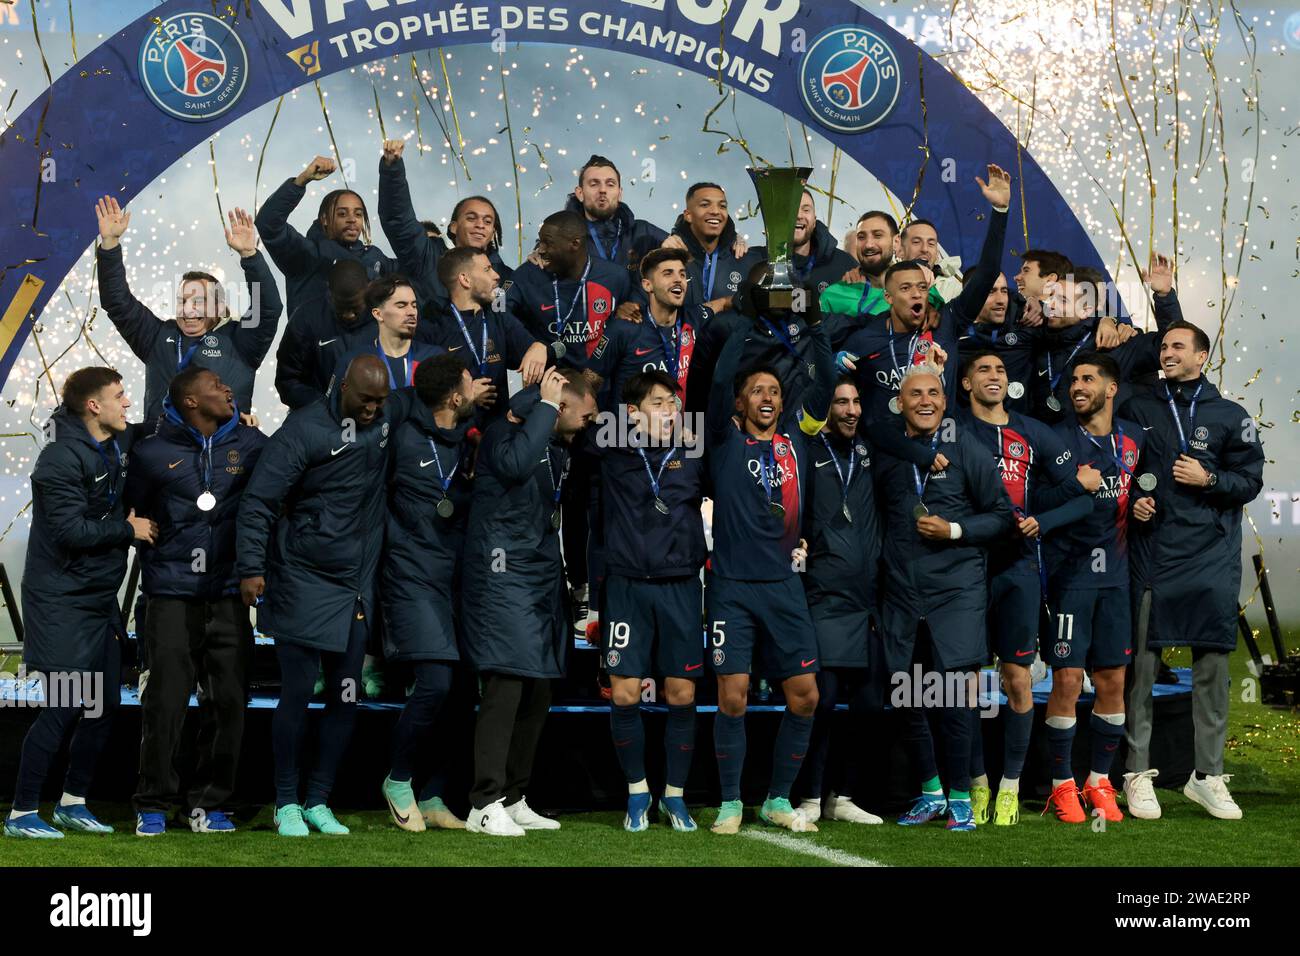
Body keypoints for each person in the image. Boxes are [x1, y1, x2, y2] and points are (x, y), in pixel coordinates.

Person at [236, 355, 415, 837]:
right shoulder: (304, 431)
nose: (375, 409)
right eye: (366, 400)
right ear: (341, 389)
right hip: (302, 576)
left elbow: (435, 392)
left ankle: (319, 800)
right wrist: (251, 568)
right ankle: (286, 802)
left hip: (355, 584)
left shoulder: (385, 415)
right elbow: (259, 502)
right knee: (296, 693)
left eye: (381, 401)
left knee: (346, 695)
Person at [702, 288, 834, 835]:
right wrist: (744, 323)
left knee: (805, 696)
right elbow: (715, 383)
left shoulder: (797, 441)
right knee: (732, 697)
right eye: (756, 390)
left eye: (774, 391)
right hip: (731, 587)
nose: (766, 396)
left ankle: (779, 799)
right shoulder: (722, 441)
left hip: (784, 586)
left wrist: (817, 327)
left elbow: (823, 386)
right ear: (740, 402)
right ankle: (732, 801)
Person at [5, 368, 157, 839]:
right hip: (62, 603)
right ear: (94, 406)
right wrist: (127, 530)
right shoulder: (58, 459)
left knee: (103, 705)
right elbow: (70, 533)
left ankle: (73, 801)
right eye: (119, 396)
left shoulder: (112, 445)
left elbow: (156, 428)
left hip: (97, 601)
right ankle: (22, 813)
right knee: (64, 706)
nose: (127, 403)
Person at [1121, 321, 1265, 820]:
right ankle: (1136, 773)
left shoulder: (1231, 414)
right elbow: (1122, 465)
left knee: (1210, 671)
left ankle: (1206, 776)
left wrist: (1210, 478)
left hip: (1210, 555)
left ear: (1202, 357)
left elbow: (1250, 481)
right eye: (1163, 345)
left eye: (1178, 346)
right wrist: (1135, 499)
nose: (1167, 352)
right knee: (1141, 670)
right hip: (1154, 553)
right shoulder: (1137, 406)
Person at [956, 350, 1096, 826]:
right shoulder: (952, 429)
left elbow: (1081, 499)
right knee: (968, 684)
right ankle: (975, 786)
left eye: (1000, 369)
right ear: (966, 383)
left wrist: (1043, 520)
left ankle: (1010, 788)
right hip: (965, 567)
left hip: (1017, 568)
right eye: (983, 370)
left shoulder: (1035, 432)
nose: (994, 376)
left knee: (1017, 679)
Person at [125, 366, 266, 836]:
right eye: (215, 387)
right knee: (164, 704)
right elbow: (135, 510)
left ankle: (209, 804)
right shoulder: (149, 453)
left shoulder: (251, 444)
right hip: (170, 593)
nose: (227, 390)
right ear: (190, 401)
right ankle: (152, 803)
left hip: (227, 595)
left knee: (227, 704)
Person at [871, 365, 1013, 832]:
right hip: (902, 593)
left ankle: (960, 798)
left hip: (956, 591)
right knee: (909, 697)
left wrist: (955, 530)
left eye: (934, 392)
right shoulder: (888, 451)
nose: (926, 401)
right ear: (901, 401)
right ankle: (930, 792)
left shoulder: (967, 448)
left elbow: (1002, 516)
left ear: (946, 399)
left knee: (954, 699)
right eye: (916, 394)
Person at [459, 368, 599, 836]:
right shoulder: (504, 432)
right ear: (557, 407)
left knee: (538, 689)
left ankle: (514, 796)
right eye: (583, 415)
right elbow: (517, 466)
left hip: (539, 578)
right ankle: (483, 801)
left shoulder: (559, 447)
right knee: (507, 683)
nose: (588, 425)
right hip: (501, 576)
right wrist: (540, 404)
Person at [1038, 353, 1145, 825]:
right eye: (1074, 380)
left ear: (1111, 388)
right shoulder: (1057, 439)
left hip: (1117, 578)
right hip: (1071, 578)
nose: (1078, 387)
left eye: (1088, 379)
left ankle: (1099, 780)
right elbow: (1033, 501)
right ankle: (1060, 784)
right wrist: (1073, 489)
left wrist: (1145, 503)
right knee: (1066, 679)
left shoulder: (1133, 438)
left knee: (1113, 680)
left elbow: (1140, 486)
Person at [598, 370, 707, 832]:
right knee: (624, 692)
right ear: (632, 413)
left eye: (673, 402)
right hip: (626, 586)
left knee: (681, 693)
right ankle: (638, 793)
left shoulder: (694, 450)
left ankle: (676, 797)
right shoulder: (610, 450)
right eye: (658, 402)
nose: (669, 411)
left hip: (681, 584)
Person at [379, 356, 479, 833]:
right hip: (410, 574)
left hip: (458, 577)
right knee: (436, 682)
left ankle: (436, 792)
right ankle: (399, 780)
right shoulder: (403, 437)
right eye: (469, 383)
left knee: (460, 690)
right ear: (455, 396)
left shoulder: (472, 440)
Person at [836, 164, 1012, 421]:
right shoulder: (864, 339)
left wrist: (999, 212)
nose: (917, 294)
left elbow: (987, 274)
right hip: (891, 452)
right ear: (888, 297)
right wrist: (834, 364)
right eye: (906, 288)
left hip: (944, 443)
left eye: (921, 287)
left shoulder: (947, 322)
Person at [794, 376, 894, 826]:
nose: (851, 410)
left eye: (856, 401)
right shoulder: (808, 451)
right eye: (841, 402)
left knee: (871, 704)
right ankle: (811, 795)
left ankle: (844, 795)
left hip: (869, 600)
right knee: (825, 701)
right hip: (824, 595)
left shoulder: (871, 449)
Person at [95, 197, 283, 423]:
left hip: (224, 451)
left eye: (198, 302)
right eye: (182, 301)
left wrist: (250, 256)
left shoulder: (242, 340)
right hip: (162, 452)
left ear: (219, 306)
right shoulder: (156, 336)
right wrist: (110, 244)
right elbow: (117, 302)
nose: (187, 310)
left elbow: (269, 308)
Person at [377, 138, 515, 308]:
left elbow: (506, 319)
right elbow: (398, 220)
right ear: (453, 227)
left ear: (493, 232)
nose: (480, 224)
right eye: (471, 218)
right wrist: (393, 171)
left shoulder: (506, 278)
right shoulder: (428, 258)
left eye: (487, 221)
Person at [255, 155, 397, 315]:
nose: (352, 220)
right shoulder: (307, 254)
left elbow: (419, 268)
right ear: (325, 219)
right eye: (342, 214)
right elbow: (268, 223)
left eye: (358, 214)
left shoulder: (375, 256)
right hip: (314, 340)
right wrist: (302, 180)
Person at [425, 246, 548, 422]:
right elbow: (426, 390)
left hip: (496, 433)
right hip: (453, 436)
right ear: (465, 279)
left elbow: (531, 350)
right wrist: (465, 394)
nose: (496, 275)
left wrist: (539, 346)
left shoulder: (498, 315)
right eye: (487, 269)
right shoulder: (433, 325)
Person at [505, 210, 634, 367]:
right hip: (547, 386)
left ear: (575, 243)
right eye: (540, 241)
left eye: (548, 242)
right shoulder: (526, 274)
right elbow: (496, 307)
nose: (541, 249)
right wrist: (531, 344)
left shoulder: (616, 277)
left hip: (599, 384)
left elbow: (630, 330)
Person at [589, 247, 711, 404]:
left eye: (682, 274)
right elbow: (589, 380)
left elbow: (721, 304)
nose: (678, 279)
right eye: (668, 273)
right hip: (627, 427)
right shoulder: (624, 328)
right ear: (647, 285)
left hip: (675, 425)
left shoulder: (693, 317)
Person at [274, 259, 371, 410]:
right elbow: (287, 381)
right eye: (342, 307)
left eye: (355, 308)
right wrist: (328, 407)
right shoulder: (305, 320)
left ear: (368, 290)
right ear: (329, 292)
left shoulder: (387, 316)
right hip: (322, 418)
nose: (349, 315)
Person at [327, 274, 448, 394]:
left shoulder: (434, 358)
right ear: (378, 314)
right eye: (401, 306)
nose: (411, 312)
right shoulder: (352, 362)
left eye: (414, 305)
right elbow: (335, 409)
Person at [661, 181, 761, 315]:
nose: (715, 211)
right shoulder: (670, 256)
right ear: (688, 215)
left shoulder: (748, 260)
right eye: (705, 205)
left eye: (722, 206)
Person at [565, 154, 669, 275]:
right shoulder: (563, 238)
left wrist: (675, 242)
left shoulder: (643, 233)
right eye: (594, 184)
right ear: (580, 193)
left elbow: (688, 259)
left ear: (620, 193)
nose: (602, 190)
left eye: (610, 184)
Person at [818, 210, 898, 320]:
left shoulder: (915, 293)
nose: (869, 244)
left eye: (878, 235)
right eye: (861, 237)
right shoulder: (832, 295)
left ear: (896, 242)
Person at [790, 190, 857, 297]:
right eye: (791, 209)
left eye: (806, 210)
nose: (798, 215)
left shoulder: (845, 265)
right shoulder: (759, 262)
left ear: (814, 221)